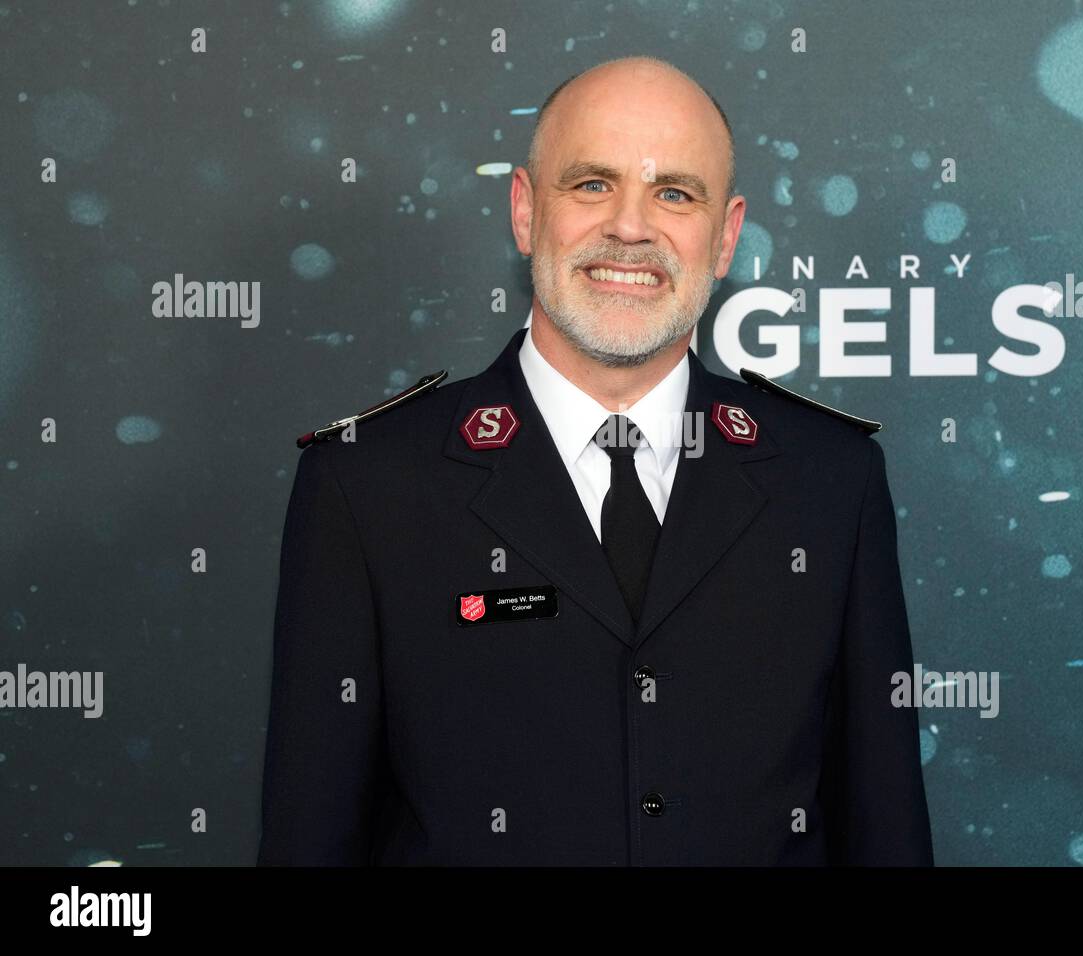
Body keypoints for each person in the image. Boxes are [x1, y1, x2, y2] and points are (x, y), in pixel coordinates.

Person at [257, 55, 934, 866]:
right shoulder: (368, 482)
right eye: (591, 185)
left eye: (675, 194)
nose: (630, 227)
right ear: (523, 210)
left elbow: (884, 827)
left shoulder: (830, 479)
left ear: (725, 238)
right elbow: (311, 836)